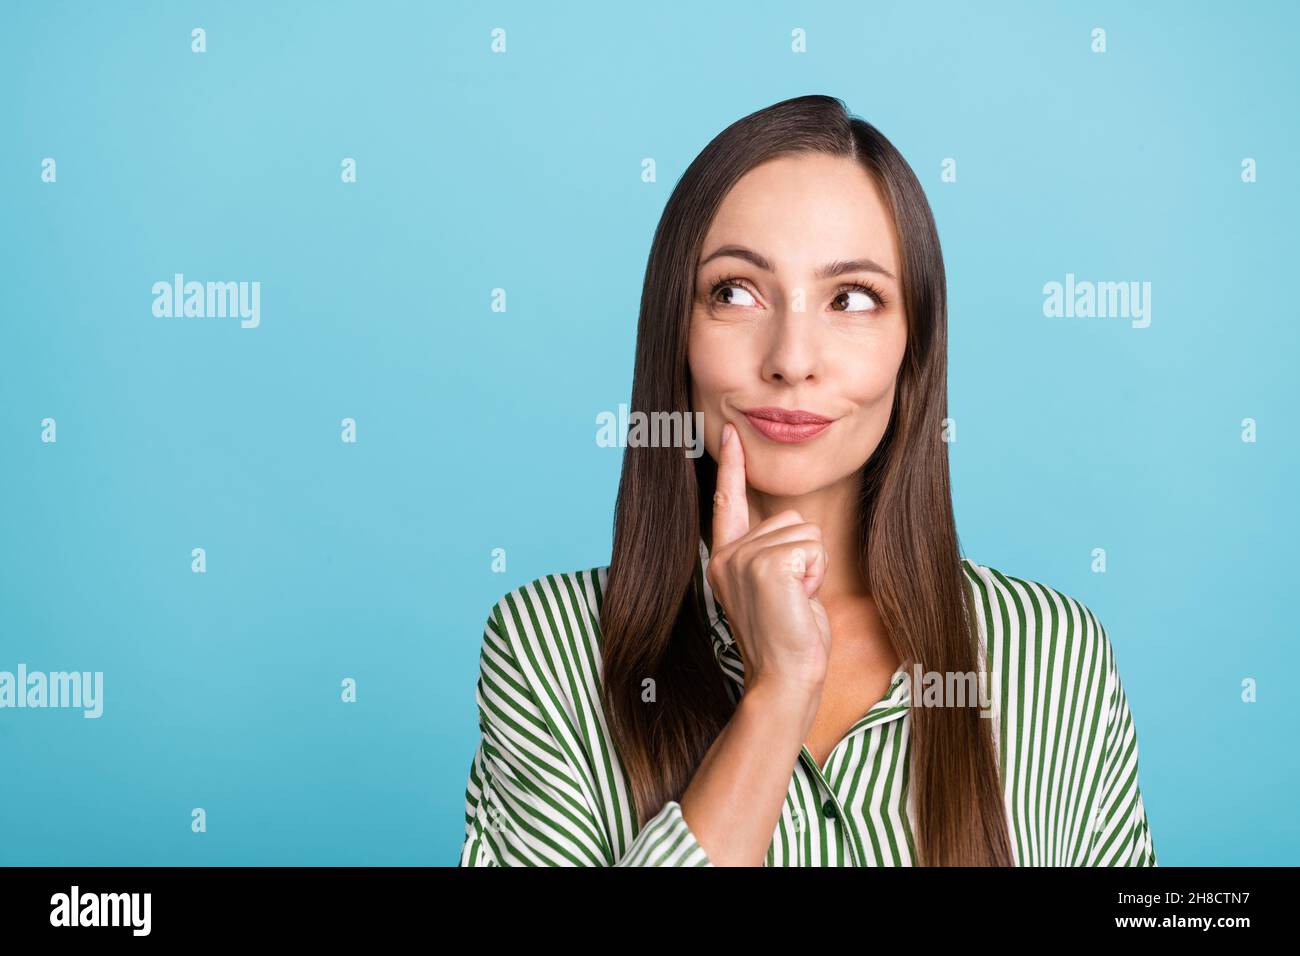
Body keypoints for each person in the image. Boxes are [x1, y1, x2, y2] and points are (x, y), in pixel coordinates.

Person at [457, 94, 1156, 867]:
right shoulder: (548, 650)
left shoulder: (1055, 656)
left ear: (911, 349)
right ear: (677, 332)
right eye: (735, 292)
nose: (792, 357)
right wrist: (777, 694)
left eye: (852, 299)